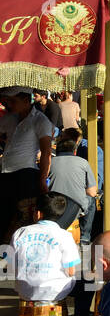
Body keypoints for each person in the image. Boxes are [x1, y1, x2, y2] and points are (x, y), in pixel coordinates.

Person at [0, 87, 56, 241]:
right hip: (6, 172)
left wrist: (43, 179)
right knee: (5, 215)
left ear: (26, 100)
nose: (8, 104)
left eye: (13, 101)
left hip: (25, 174)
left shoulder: (40, 120)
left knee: (22, 217)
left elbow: (46, 152)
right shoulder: (10, 118)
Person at [8, 192, 81, 304]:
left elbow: (11, 266)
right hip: (55, 292)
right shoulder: (64, 236)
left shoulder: (20, 232)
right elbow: (71, 271)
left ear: (38, 214)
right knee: (88, 285)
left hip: (26, 292)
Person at [47, 128, 98, 242]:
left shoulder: (50, 163)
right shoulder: (83, 162)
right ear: (74, 151)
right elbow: (92, 192)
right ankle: (85, 237)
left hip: (53, 206)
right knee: (91, 201)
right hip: (77, 208)